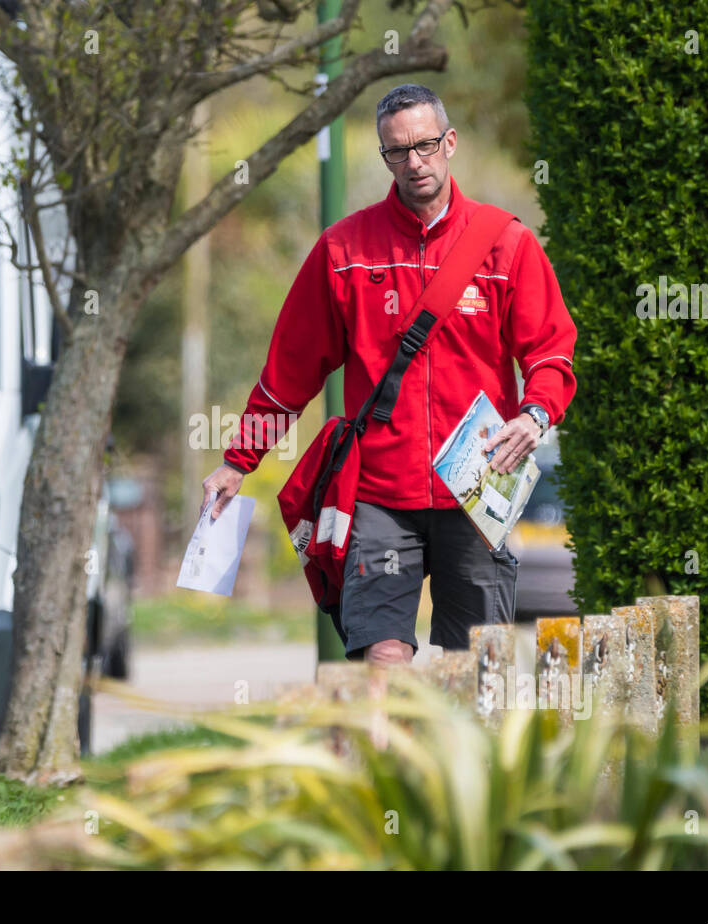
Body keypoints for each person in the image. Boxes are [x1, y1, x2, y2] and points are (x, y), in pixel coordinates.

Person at [201, 83, 578, 669]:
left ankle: (460, 762)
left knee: (477, 669)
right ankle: (385, 759)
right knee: (380, 657)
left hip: (477, 488)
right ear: (385, 156)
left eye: (425, 145)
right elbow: (288, 373)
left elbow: (551, 352)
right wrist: (237, 460)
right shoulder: (344, 250)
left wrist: (536, 414)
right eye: (397, 151)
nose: (414, 162)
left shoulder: (506, 244)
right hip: (379, 497)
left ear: (449, 143)